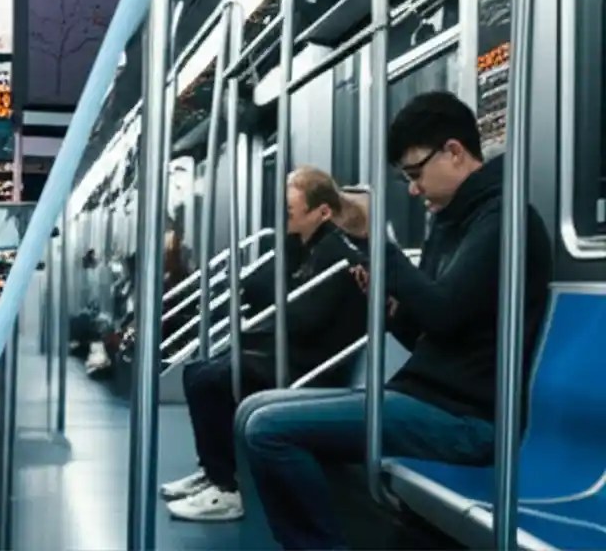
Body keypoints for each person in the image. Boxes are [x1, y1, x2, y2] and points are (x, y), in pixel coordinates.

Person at [235, 91, 551, 549]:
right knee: (253, 410)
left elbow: (442, 313)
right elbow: (428, 329)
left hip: (467, 417)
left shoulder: (503, 220)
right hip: (426, 394)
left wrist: (379, 246)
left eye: (415, 174)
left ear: (454, 152)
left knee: (268, 430)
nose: (413, 189)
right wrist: (387, 308)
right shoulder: (450, 221)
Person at [162, 166, 372, 521]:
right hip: (291, 352)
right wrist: (284, 251)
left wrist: (266, 313)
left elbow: (305, 318)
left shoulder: (336, 254)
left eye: (290, 212)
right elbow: (256, 285)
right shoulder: (300, 247)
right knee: (198, 370)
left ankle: (227, 490)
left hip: (312, 365)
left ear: (321, 213)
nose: (284, 218)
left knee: (213, 379)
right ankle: (216, 471)